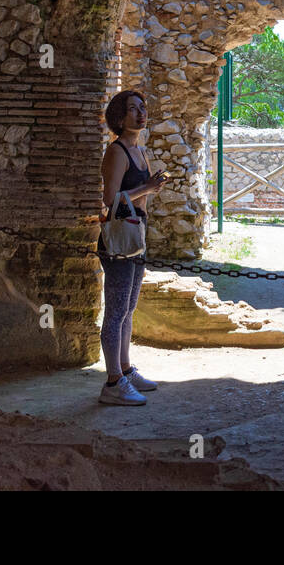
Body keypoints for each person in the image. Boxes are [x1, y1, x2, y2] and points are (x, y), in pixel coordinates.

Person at [97, 89, 167, 406]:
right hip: (119, 239)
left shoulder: (139, 151)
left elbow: (136, 196)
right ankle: (113, 382)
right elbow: (110, 199)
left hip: (135, 237)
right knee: (115, 312)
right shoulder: (117, 152)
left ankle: (125, 368)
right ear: (119, 117)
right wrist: (148, 187)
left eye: (142, 107)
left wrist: (148, 190)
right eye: (132, 109)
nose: (140, 113)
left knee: (128, 309)